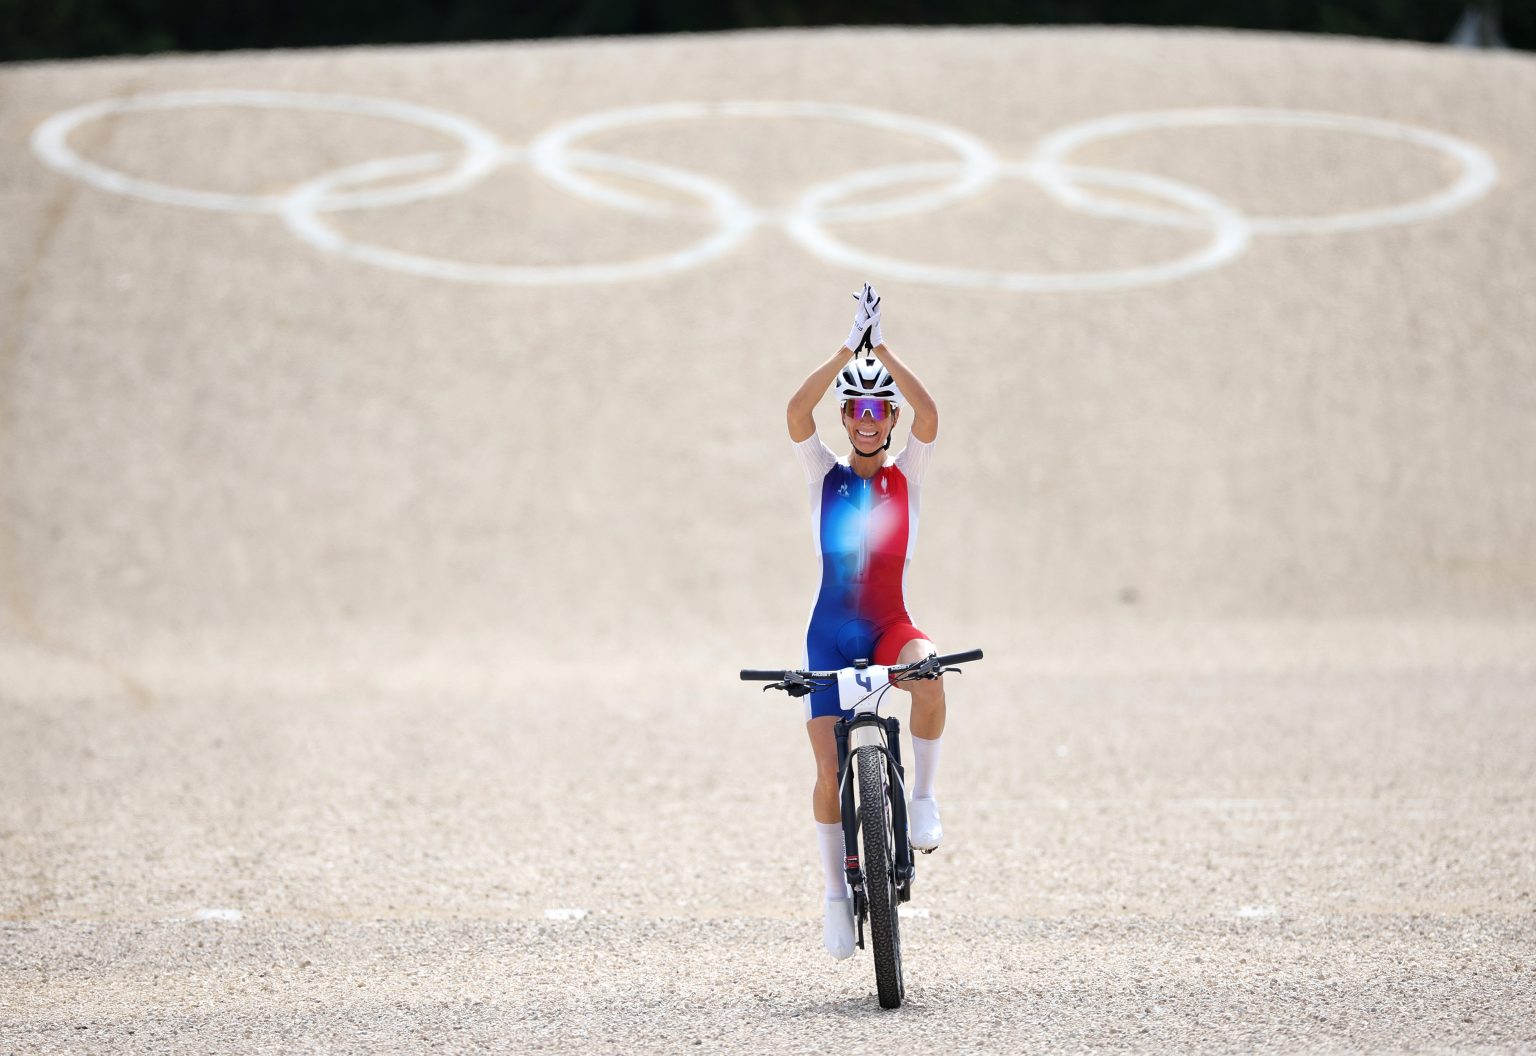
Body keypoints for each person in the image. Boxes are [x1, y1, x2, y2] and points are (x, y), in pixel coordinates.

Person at [785, 283, 946, 959]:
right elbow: (795, 412)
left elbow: (932, 414)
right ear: (848, 418)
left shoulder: (908, 470)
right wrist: (843, 351)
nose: (873, 419)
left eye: (883, 408)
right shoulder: (824, 472)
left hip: (888, 624)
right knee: (826, 772)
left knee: (931, 669)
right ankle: (831, 892)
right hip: (829, 635)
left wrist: (883, 351)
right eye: (861, 409)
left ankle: (926, 799)